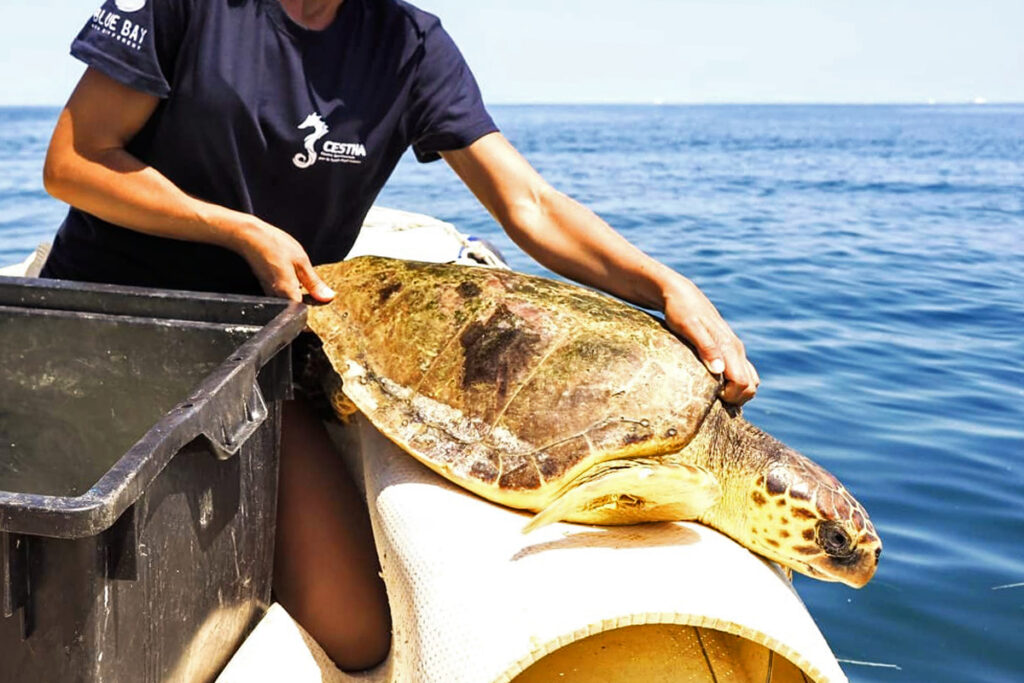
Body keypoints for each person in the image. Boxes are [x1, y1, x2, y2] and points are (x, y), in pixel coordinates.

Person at [41, 0, 759, 671]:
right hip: (103, 323)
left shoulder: (411, 47)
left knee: (357, 633)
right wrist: (236, 231)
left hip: (251, 355)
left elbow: (529, 204)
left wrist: (669, 287)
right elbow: (73, 161)